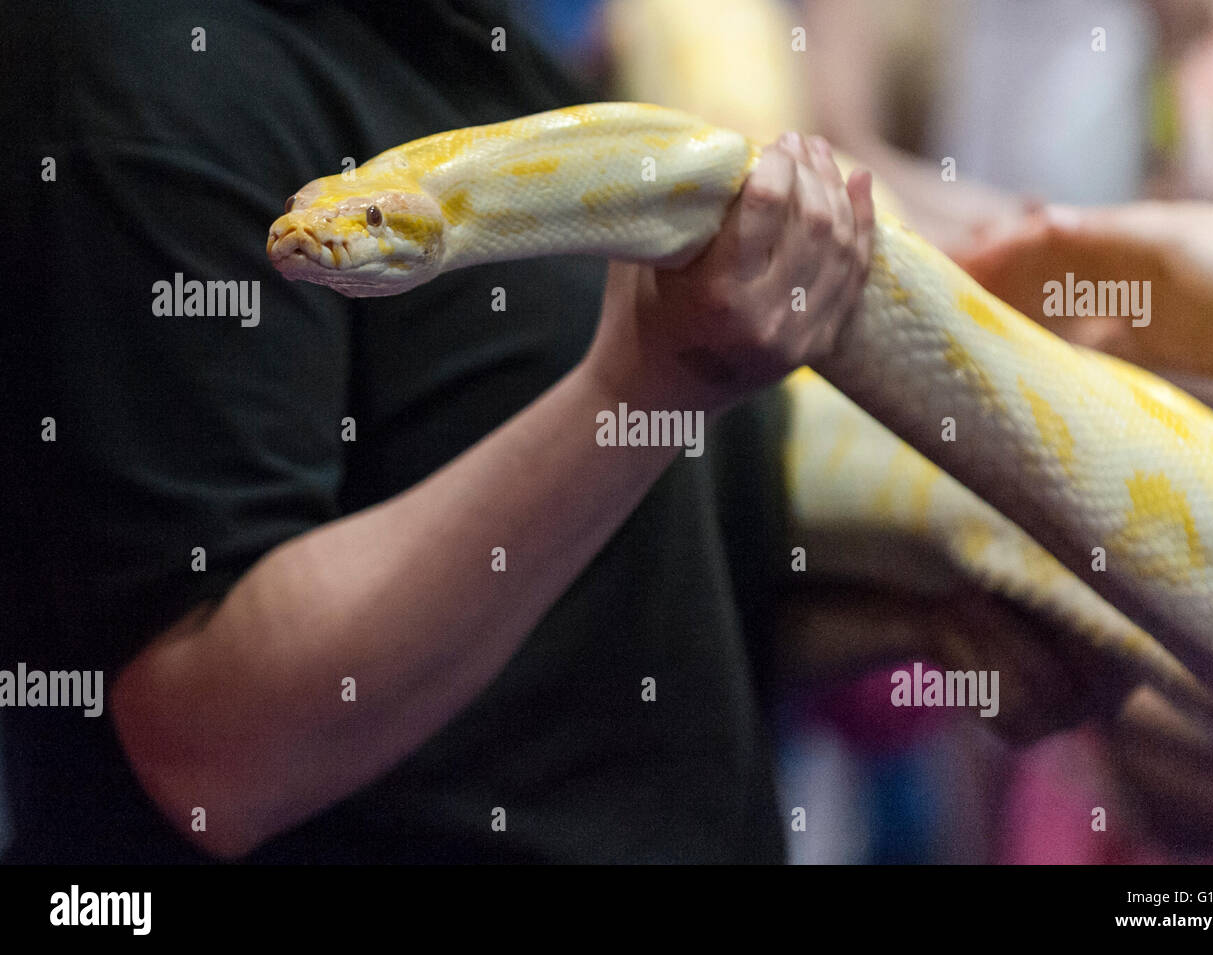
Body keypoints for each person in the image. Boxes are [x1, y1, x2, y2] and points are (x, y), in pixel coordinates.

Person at [2, 0, 881, 863]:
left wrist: (917, 621)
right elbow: (215, 756)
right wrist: (640, 390)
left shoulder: (485, 57)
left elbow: (640, 607)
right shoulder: (155, 76)